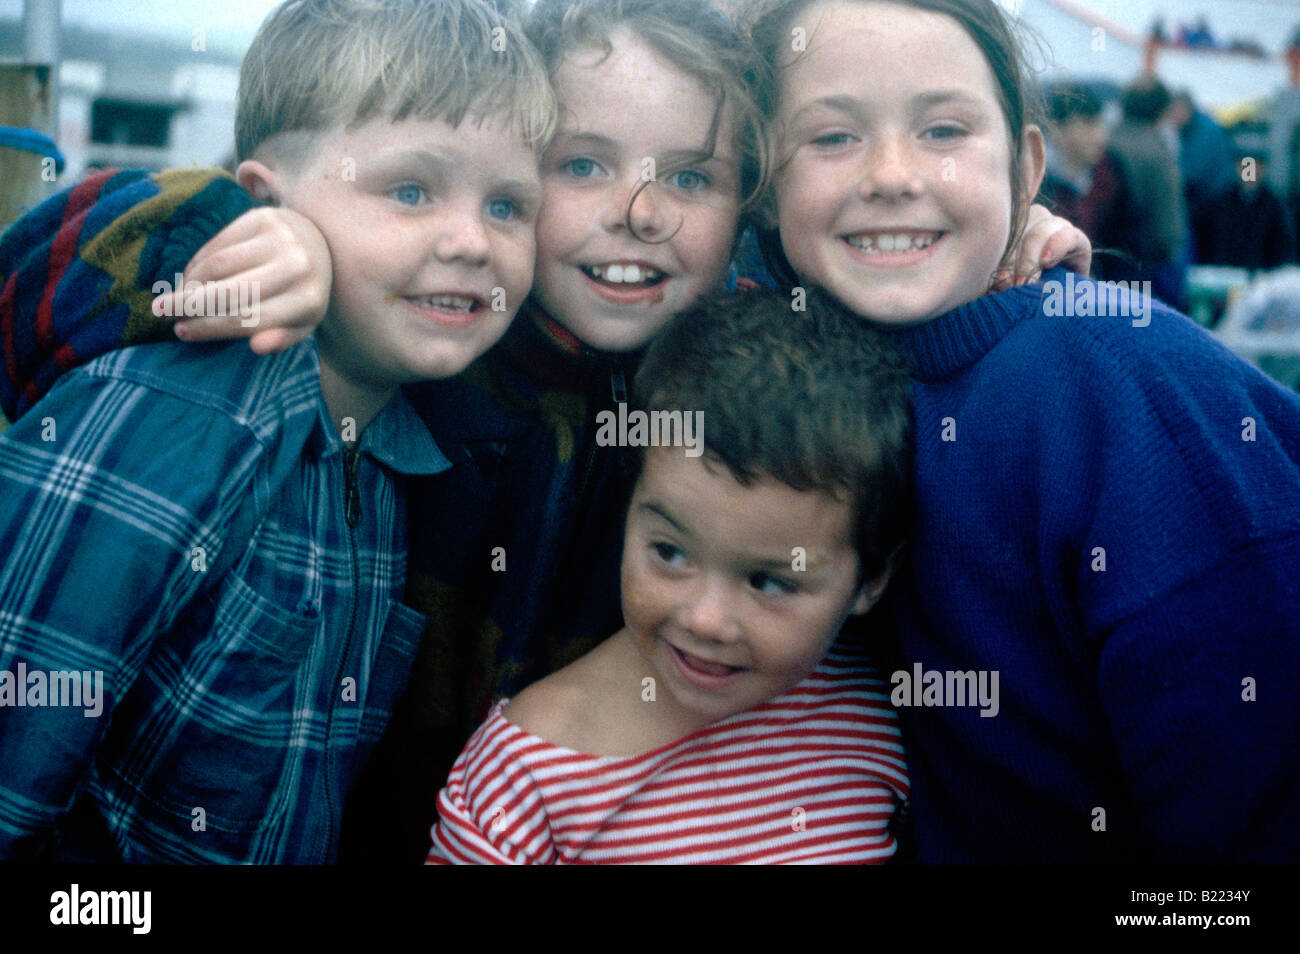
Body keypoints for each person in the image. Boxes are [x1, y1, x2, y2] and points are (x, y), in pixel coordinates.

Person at [0, 0, 1090, 863]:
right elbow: (49, 280)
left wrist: (997, 240)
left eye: (691, 177)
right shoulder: (431, 343)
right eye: (580, 166)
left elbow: (867, 287)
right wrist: (223, 233)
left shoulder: (739, 361)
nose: (638, 212)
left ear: (745, 212)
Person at [743, 0, 1300, 862]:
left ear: (1026, 165)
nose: (891, 174)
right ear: (763, 187)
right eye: (831, 138)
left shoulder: (1124, 385)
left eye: (943, 130)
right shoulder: (776, 388)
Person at [0, 0, 552, 863]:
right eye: (410, 189)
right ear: (261, 205)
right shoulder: (180, 417)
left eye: (510, 206)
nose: (473, 241)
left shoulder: (407, 453)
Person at [429, 286, 912, 864]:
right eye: (671, 552)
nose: (705, 619)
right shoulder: (521, 778)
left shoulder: (887, 711)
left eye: (770, 582)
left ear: (871, 581)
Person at [1038, 83, 1135, 282]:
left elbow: (1128, 243)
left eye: (1101, 124)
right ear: (1056, 128)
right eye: (1088, 124)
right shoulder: (1034, 178)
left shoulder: (1112, 172)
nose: (1099, 135)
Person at [1105, 75, 1187, 307]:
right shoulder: (1158, 154)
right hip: (1143, 265)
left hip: (1095, 259)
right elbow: (1168, 228)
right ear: (1161, 112)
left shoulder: (1103, 140)